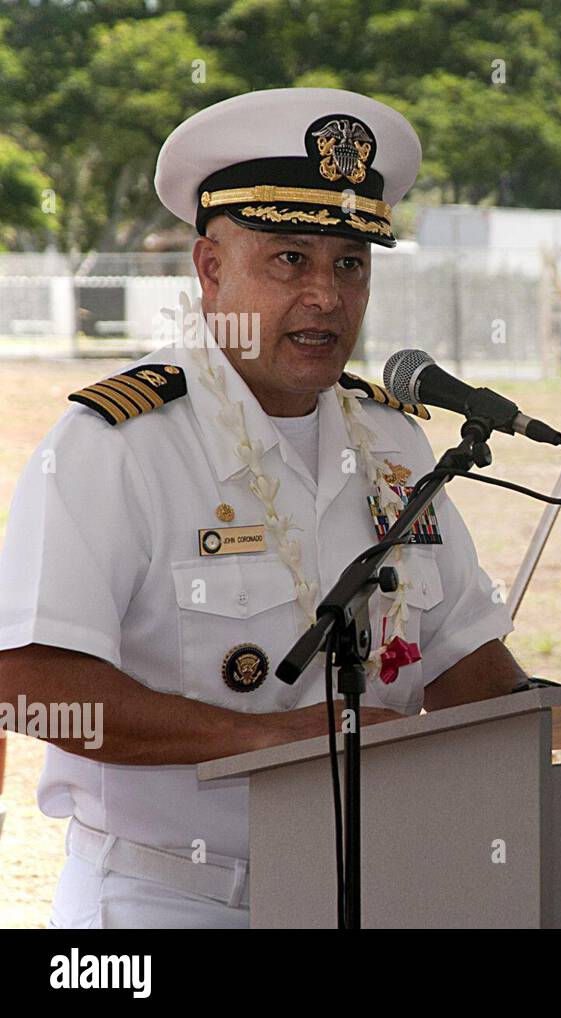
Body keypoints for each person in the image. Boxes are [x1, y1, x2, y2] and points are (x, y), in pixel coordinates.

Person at [0, 88, 529, 928]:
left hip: (373, 889)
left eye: (350, 264)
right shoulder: (117, 443)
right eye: (290, 259)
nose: (326, 295)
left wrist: (552, 740)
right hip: (169, 900)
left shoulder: (393, 443)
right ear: (210, 269)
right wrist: (265, 743)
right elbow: (26, 684)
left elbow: (464, 658)